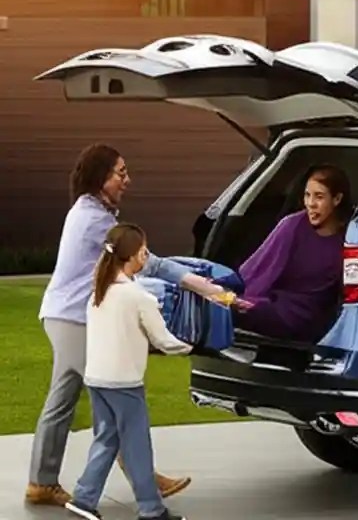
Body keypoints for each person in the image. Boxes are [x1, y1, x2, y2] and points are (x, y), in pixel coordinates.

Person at [26, 144, 229, 507]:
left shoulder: (88, 211)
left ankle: (42, 482)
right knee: (118, 402)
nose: (127, 179)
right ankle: (144, 487)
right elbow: (150, 264)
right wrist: (203, 286)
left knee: (65, 401)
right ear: (100, 177)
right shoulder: (96, 221)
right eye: (120, 173)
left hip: (62, 316)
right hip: (73, 319)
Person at [64, 223, 190, 520]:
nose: (146, 257)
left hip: (96, 379)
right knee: (137, 445)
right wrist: (190, 347)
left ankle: (83, 499)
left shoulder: (98, 292)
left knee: (107, 438)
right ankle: (151, 509)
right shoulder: (138, 297)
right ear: (133, 256)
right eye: (144, 251)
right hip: (124, 384)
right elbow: (163, 340)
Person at [234, 164, 351, 343]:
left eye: (319, 197)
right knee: (224, 306)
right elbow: (255, 271)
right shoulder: (292, 225)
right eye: (307, 195)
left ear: (337, 199)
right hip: (276, 306)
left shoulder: (350, 237)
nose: (311, 204)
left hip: (312, 318)